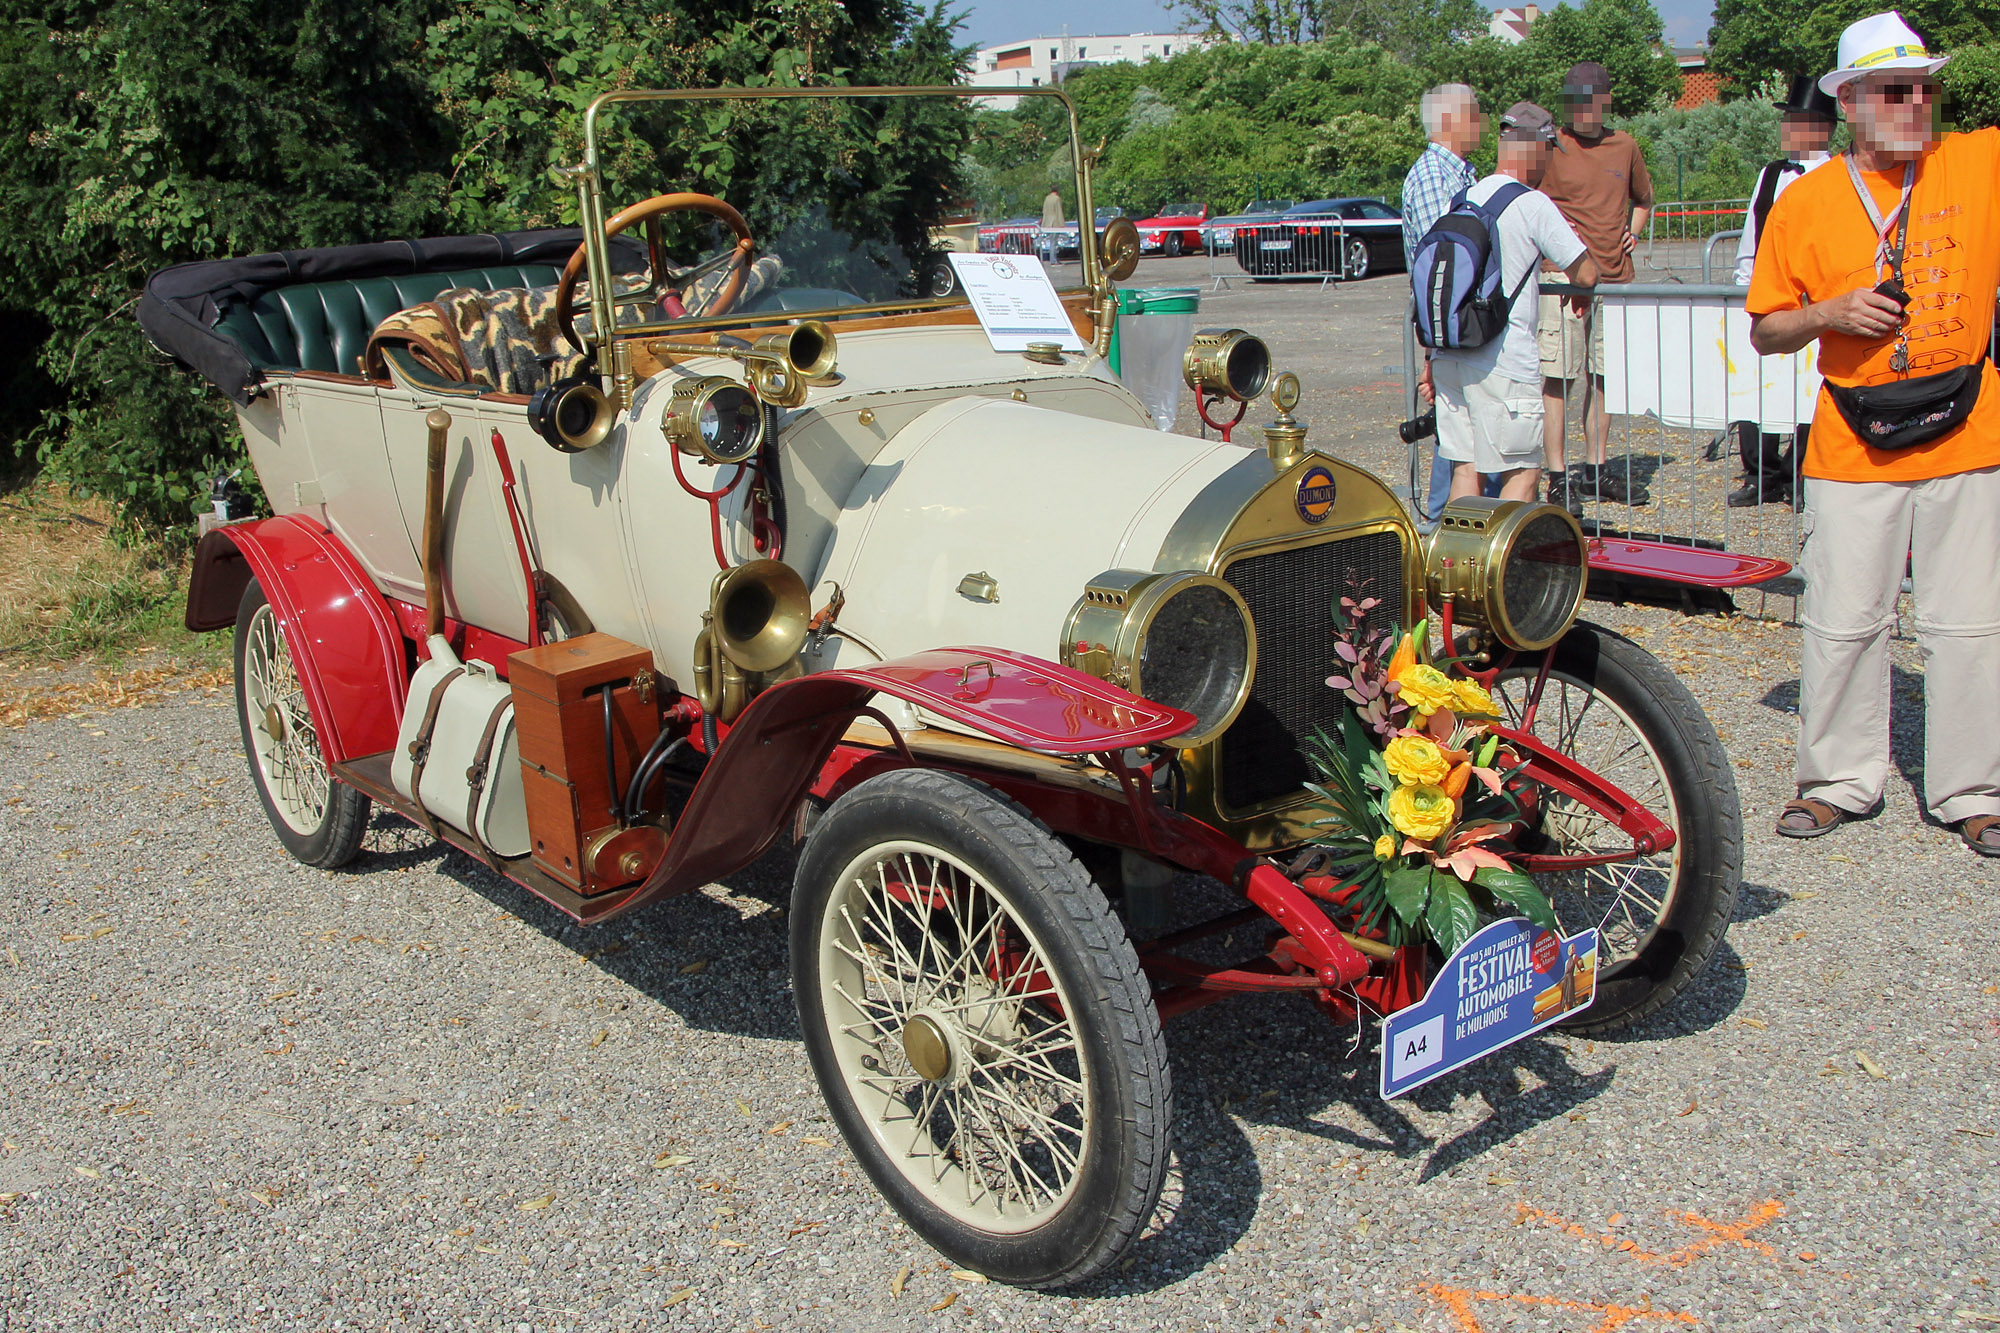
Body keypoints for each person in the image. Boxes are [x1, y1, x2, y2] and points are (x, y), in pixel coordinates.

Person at [1747, 11, 2000, 856]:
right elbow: (1767, 329)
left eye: (1925, 87)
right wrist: (1830, 312)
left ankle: (1973, 791)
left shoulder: (1978, 161)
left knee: (1970, 624)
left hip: (1969, 432)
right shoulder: (1806, 200)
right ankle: (1836, 782)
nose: (1917, 103)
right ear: (1851, 102)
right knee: (1845, 623)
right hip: (1853, 443)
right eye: (1896, 89)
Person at [1430, 103, 1599, 505]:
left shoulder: (1464, 197)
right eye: (1549, 151)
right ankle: (1502, 551)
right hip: (1503, 359)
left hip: (1453, 352)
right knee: (1522, 473)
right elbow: (1587, 273)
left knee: (1465, 469)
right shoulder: (1532, 203)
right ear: (1535, 148)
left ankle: (1461, 549)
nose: (1549, 161)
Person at [1536, 61, 1654, 512]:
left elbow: (1644, 199)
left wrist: (1633, 232)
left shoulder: (1625, 145)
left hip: (1614, 280)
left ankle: (1596, 471)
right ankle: (1557, 477)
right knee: (1559, 380)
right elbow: (1522, 199)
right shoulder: (1550, 145)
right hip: (1562, 280)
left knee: (1604, 378)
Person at [1727, 75, 1837, 509]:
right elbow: (1752, 232)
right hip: (1770, 292)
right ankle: (1762, 474)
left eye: (1796, 121)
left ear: (1821, 128)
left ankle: (1803, 473)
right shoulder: (1770, 173)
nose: (1787, 129)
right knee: (1756, 383)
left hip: (1816, 296)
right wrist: (1743, 285)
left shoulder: (1838, 174)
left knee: (1810, 386)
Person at [1404, 83, 1484, 532]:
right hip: (1453, 329)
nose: (1482, 123)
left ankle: (1447, 534)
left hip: (1454, 328)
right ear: (1453, 120)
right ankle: (1438, 538)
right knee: (1456, 437)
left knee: (1459, 434)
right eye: (1476, 114)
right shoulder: (1435, 176)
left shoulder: (1456, 173)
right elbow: (1445, 269)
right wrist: (1433, 354)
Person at [1038, 185, 1064, 264]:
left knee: (1051, 241)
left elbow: (1044, 210)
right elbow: (1059, 211)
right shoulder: (1057, 199)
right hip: (1055, 222)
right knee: (1054, 242)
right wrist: (1062, 223)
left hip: (1047, 222)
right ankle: (1053, 260)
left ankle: (1053, 258)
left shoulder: (1047, 198)